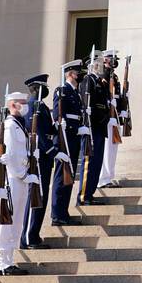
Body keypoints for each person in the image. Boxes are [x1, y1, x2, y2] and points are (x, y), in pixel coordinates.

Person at [0, 90, 34, 274]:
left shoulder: (20, 125)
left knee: (17, 221)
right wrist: (22, 174)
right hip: (12, 179)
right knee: (8, 220)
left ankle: (9, 260)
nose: (25, 106)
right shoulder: (9, 126)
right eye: (21, 102)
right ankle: (2, 262)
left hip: (21, 178)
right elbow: (8, 155)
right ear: (12, 105)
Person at [21, 74, 57, 247]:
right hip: (38, 157)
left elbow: (47, 129)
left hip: (44, 158)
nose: (46, 89)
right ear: (36, 88)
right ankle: (28, 237)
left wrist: (57, 127)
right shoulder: (31, 106)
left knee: (42, 197)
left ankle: (34, 234)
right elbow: (36, 133)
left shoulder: (41, 106)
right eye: (43, 87)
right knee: (36, 197)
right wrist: (52, 150)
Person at [51, 61, 89, 227]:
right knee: (61, 176)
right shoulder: (62, 91)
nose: (79, 75)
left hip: (73, 139)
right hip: (64, 139)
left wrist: (81, 126)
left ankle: (63, 213)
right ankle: (57, 214)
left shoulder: (76, 93)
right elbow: (58, 115)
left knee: (69, 177)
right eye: (76, 72)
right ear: (69, 74)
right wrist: (72, 127)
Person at [78, 53, 111, 205]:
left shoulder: (99, 81)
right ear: (91, 65)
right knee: (89, 163)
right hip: (92, 127)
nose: (101, 66)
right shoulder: (88, 80)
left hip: (100, 127)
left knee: (97, 163)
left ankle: (90, 194)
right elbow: (86, 103)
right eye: (98, 63)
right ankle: (83, 196)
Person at [96, 51, 123, 190]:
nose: (114, 62)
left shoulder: (114, 75)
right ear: (105, 59)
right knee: (107, 149)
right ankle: (102, 179)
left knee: (112, 149)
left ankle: (109, 177)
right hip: (107, 117)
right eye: (112, 59)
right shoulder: (103, 74)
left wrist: (123, 108)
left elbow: (117, 95)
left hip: (115, 115)